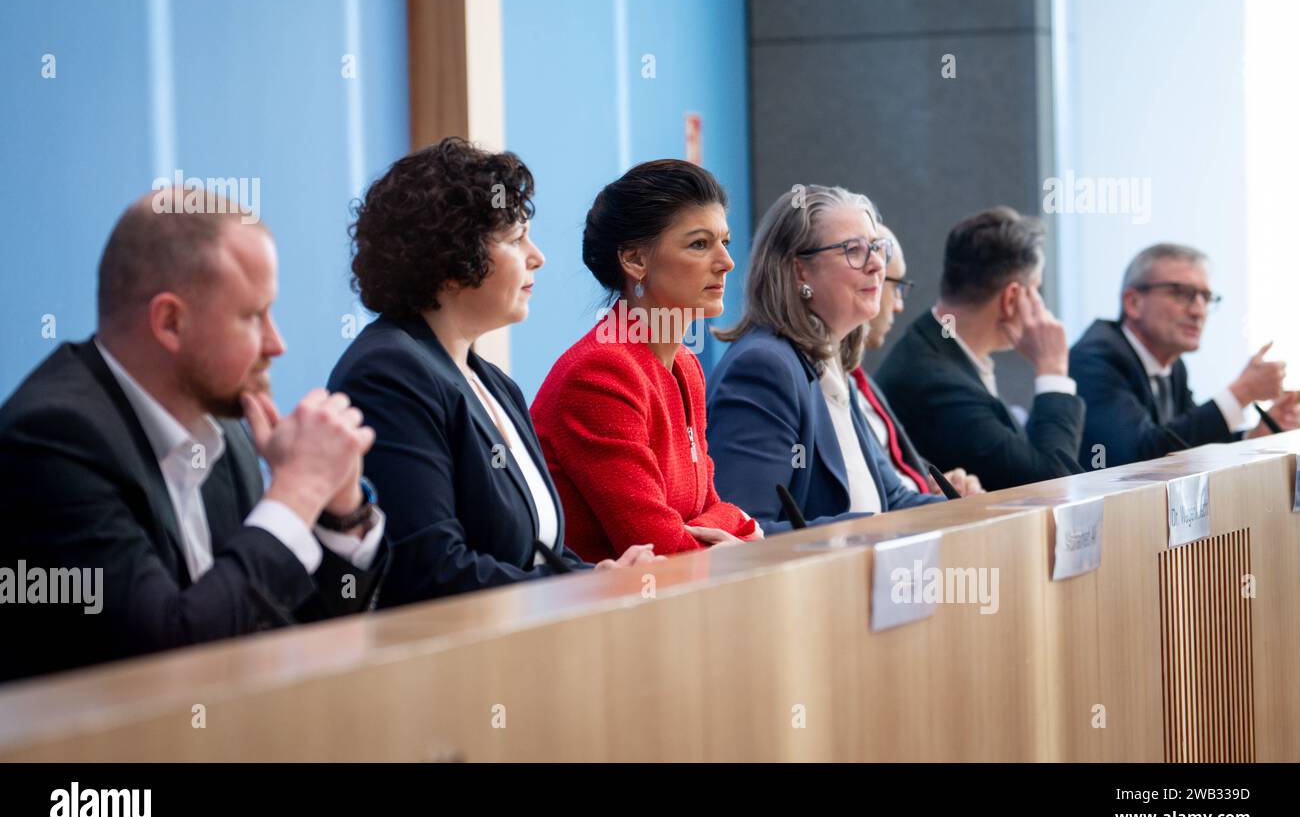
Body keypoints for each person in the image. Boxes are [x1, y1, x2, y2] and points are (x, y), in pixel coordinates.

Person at [0, 187, 386, 682]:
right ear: (171, 322)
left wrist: (338, 510)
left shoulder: (225, 430)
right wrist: (297, 492)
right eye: (253, 316)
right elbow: (169, 660)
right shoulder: (52, 441)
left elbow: (299, 635)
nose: (277, 343)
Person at [328, 139, 656, 604]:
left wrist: (600, 573)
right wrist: (586, 585)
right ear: (451, 255)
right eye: (516, 237)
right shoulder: (388, 373)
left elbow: (539, 556)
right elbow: (431, 570)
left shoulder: (494, 383)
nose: (537, 256)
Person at [530, 160, 763, 562]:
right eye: (700, 244)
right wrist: (740, 522)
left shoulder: (686, 367)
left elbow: (707, 509)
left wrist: (730, 519)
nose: (726, 262)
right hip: (598, 615)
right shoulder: (600, 373)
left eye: (725, 242)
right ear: (635, 261)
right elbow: (662, 549)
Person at [707, 185, 944, 526]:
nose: (878, 264)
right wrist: (863, 534)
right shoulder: (764, 368)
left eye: (877, 248)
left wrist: (977, 511)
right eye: (854, 250)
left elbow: (891, 499)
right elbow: (741, 532)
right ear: (800, 271)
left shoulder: (831, 364)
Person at [874, 206, 1085, 491]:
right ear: (1012, 297)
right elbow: (1048, 485)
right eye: (1035, 289)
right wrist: (1053, 371)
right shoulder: (937, 382)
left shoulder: (938, 346)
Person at [1070, 243, 1300, 469]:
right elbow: (1137, 458)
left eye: (1205, 297)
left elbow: (1185, 446)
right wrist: (1241, 394)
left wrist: (1256, 435)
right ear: (1133, 302)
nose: (1198, 311)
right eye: (1181, 293)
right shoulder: (1095, 358)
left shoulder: (1173, 365)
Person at [853, 222, 983, 497]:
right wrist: (1052, 371)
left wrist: (934, 487)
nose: (899, 305)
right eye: (895, 286)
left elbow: (895, 486)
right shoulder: (924, 371)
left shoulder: (858, 381)